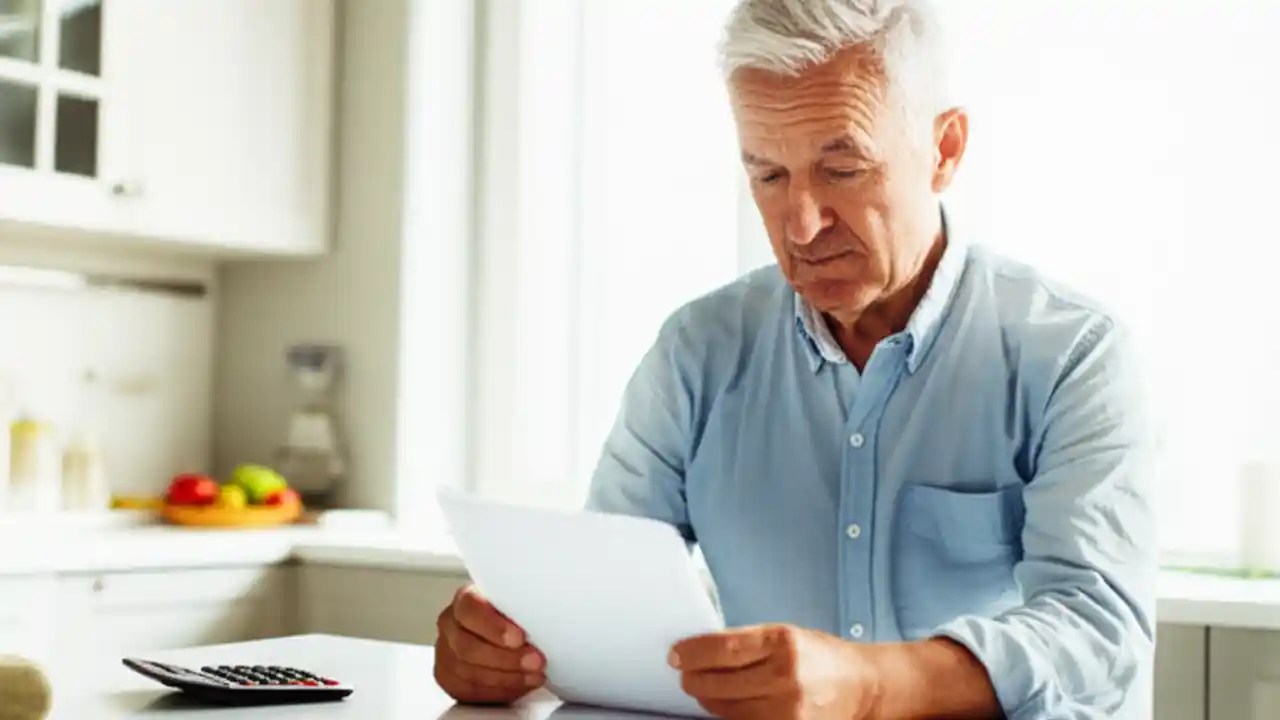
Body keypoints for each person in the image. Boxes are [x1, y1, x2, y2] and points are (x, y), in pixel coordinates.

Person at [434, 0, 1156, 717]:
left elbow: (1098, 633)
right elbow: (600, 601)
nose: (802, 225)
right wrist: (506, 651)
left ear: (945, 150)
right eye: (769, 176)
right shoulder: (697, 354)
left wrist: (868, 686)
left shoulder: (1071, 355)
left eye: (842, 168)